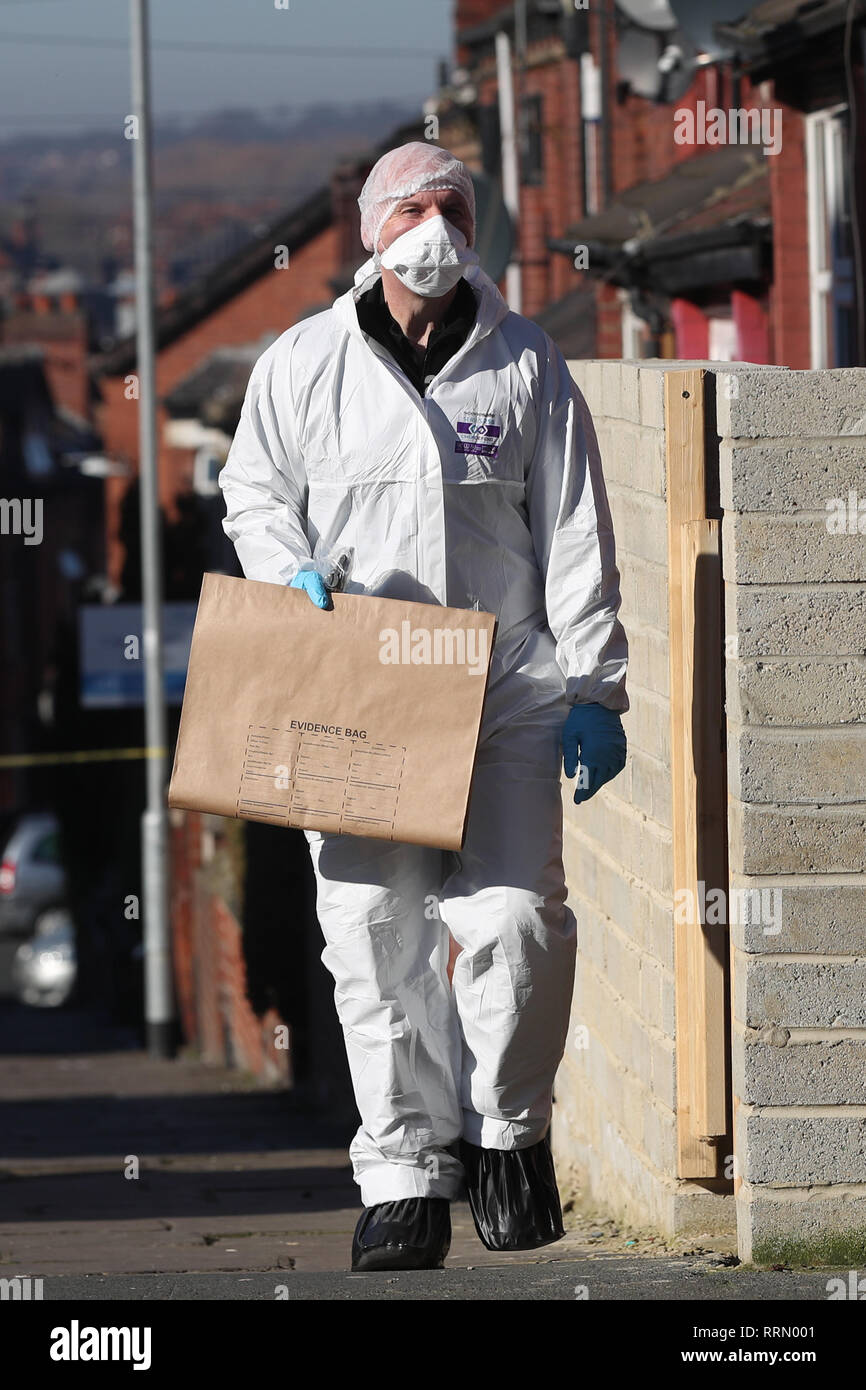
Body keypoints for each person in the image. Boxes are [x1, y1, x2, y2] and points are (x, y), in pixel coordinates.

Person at [218, 141, 628, 1272]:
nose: (434, 225)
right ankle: (401, 1175)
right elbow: (251, 485)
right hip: (360, 686)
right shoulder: (301, 364)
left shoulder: (527, 364)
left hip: (502, 688)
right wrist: (282, 563)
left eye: (453, 206)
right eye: (412, 206)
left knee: (512, 920)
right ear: (369, 228)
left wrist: (596, 689)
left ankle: (509, 1136)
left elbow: (578, 535)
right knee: (374, 940)